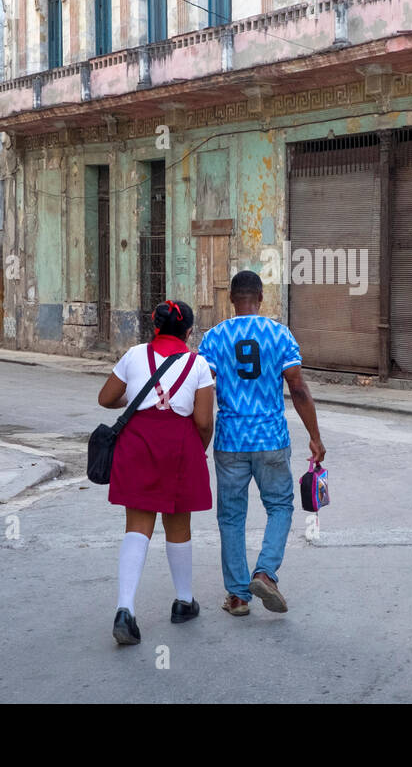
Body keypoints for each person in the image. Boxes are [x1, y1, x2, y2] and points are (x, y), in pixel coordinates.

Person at [197, 270, 325, 616]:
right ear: (261, 297)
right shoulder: (279, 334)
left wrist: (197, 435)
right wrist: (315, 436)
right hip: (270, 437)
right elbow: (297, 388)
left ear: (232, 299)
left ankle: (238, 596)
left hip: (230, 439)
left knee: (232, 516)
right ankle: (266, 573)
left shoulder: (214, 338)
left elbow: (202, 392)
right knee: (280, 507)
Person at [98, 300, 216, 646]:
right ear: (190, 332)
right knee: (178, 523)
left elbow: (106, 398)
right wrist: (200, 449)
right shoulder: (199, 365)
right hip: (179, 446)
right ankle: (183, 601)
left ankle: (125, 609)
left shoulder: (133, 356)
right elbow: (203, 421)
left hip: (137, 444)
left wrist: (135, 398)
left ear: (155, 327)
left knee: (137, 526)